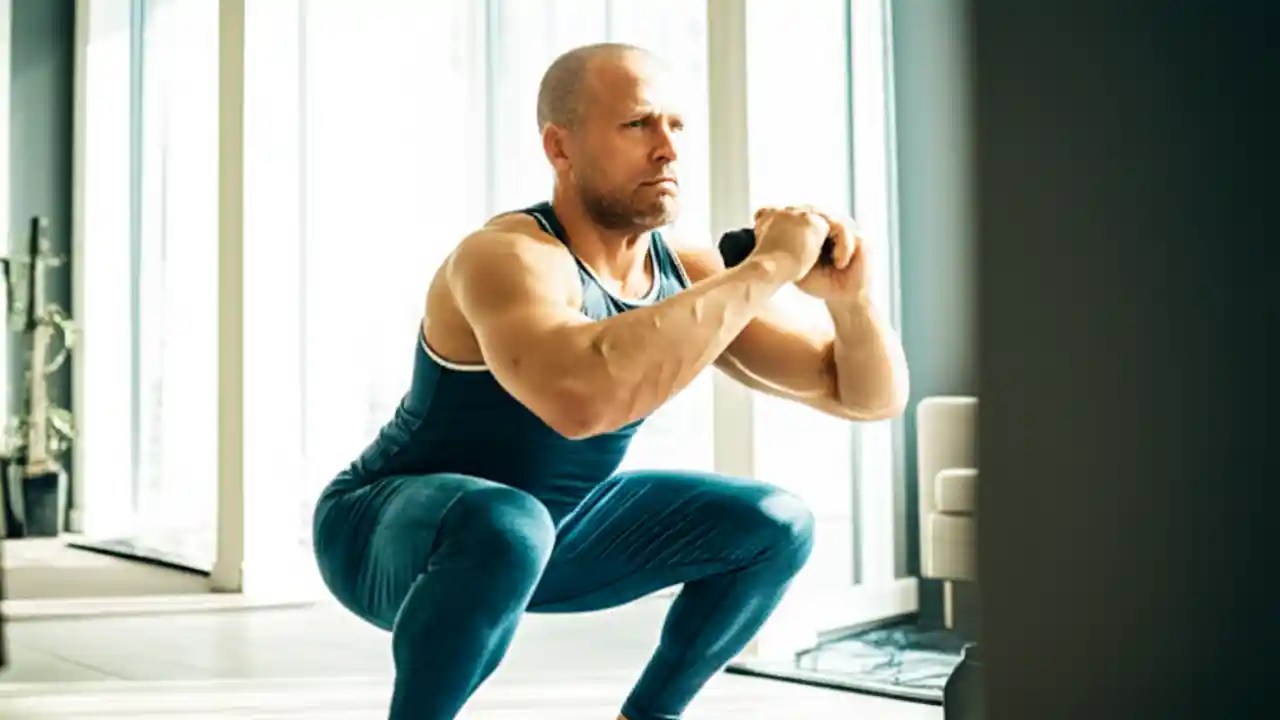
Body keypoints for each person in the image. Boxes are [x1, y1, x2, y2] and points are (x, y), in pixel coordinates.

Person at [311, 42, 910, 720]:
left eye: (676, 126)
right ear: (559, 148)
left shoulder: (683, 271)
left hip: (551, 530)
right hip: (385, 530)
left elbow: (864, 395)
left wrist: (851, 300)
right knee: (508, 524)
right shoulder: (507, 256)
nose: (668, 150)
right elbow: (579, 403)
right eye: (638, 125)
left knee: (775, 524)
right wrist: (765, 270)